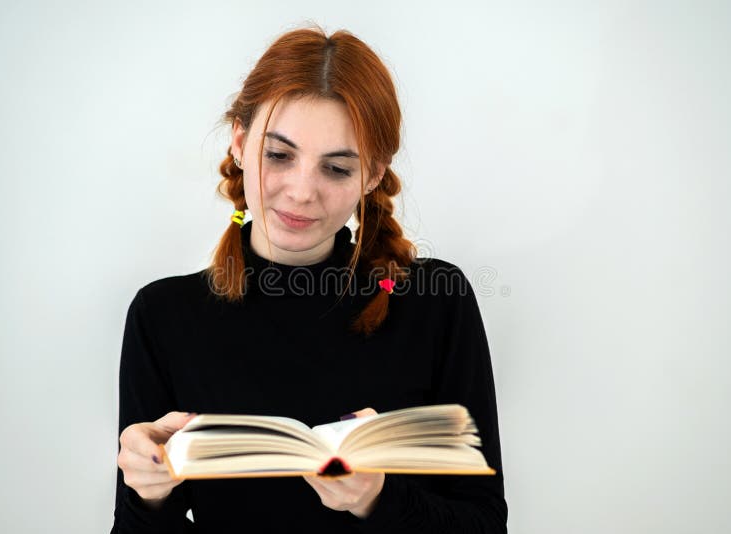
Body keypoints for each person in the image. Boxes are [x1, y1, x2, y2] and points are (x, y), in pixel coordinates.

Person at [111, 25, 508, 533]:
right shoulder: (164, 315)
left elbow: (484, 523)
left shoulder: (434, 302)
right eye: (279, 155)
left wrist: (378, 498)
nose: (302, 192)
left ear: (372, 174)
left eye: (337, 168)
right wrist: (148, 495)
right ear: (239, 142)